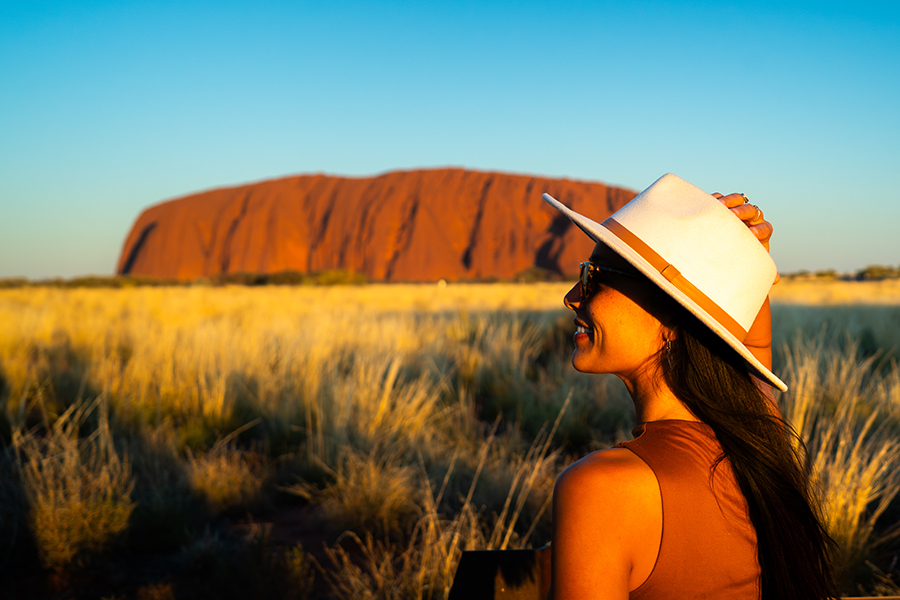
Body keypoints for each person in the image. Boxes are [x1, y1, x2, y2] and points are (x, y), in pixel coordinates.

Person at [541, 174, 836, 600]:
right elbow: (750, 351)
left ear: (673, 318)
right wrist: (737, 261)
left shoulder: (601, 489)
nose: (573, 296)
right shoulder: (758, 443)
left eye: (594, 277)